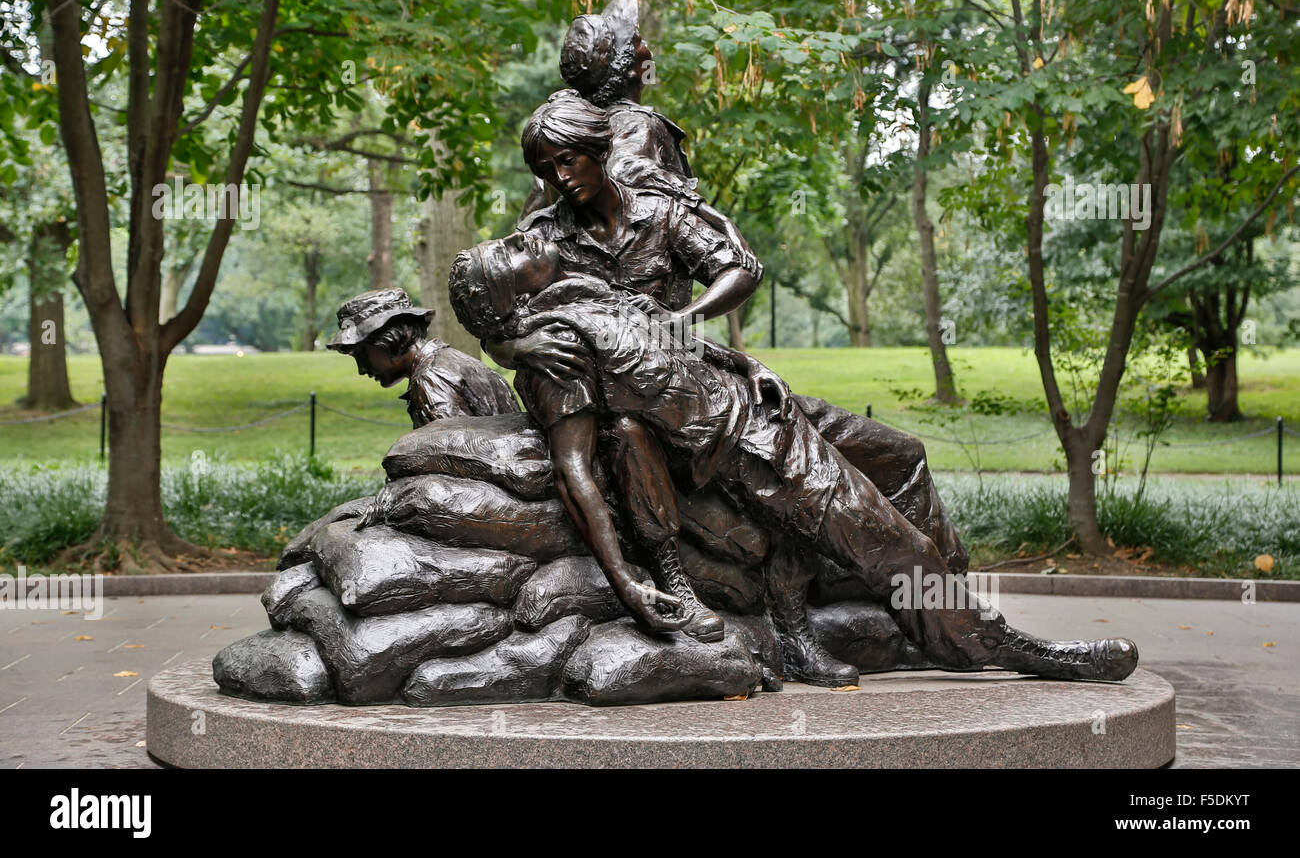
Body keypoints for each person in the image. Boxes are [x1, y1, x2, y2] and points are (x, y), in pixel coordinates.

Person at [448, 235, 1139, 683]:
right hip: (753, 448)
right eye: (506, 252)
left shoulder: (584, 288)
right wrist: (627, 582)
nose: (521, 236)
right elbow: (574, 473)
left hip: (770, 402)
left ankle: (935, 612)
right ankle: (1003, 645)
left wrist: (744, 362)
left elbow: (670, 335)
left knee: (904, 455)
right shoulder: (552, 356)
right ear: (513, 297)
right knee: (894, 544)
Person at [494, 91, 962, 685]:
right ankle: (788, 633)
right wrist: (518, 349)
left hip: (701, 371)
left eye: (568, 161)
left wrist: (693, 328)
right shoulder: (542, 239)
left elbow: (740, 267)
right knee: (724, 464)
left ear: (597, 149)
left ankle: (944, 614)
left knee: (898, 453)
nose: (559, 179)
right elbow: (495, 314)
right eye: (546, 170)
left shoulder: (660, 212)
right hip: (627, 405)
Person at [326, 288, 516, 427]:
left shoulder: (431, 381)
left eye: (361, 354)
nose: (362, 369)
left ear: (388, 338)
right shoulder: (450, 361)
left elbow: (450, 461)